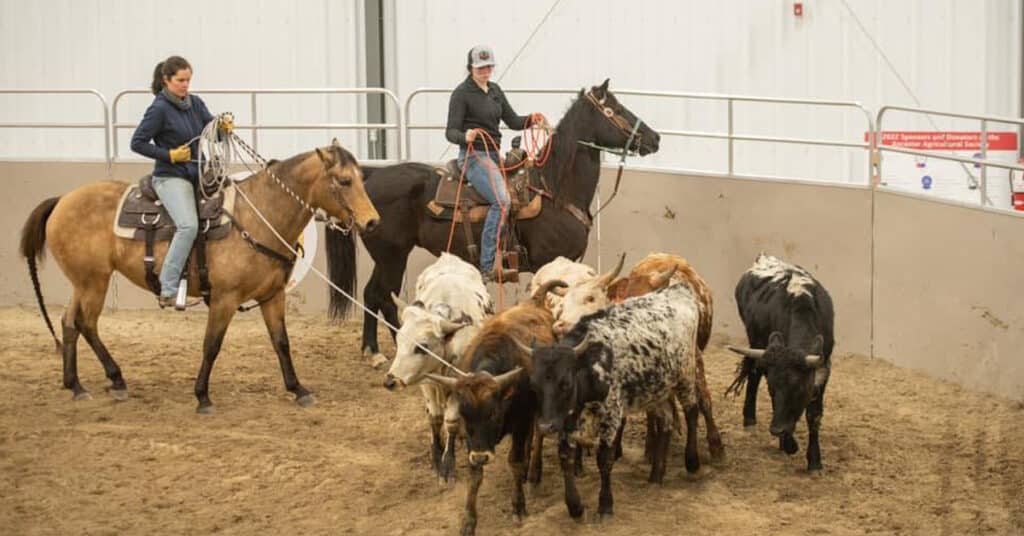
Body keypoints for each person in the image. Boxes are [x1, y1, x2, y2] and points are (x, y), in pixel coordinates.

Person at [130, 55, 233, 308]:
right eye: (180, 80)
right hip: (171, 177)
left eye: (188, 80)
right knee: (188, 226)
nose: (185, 85)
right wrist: (169, 155)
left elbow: (212, 133)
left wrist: (223, 128)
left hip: (198, 173)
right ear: (166, 80)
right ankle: (168, 286)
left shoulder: (195, 104)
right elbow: (137, 143)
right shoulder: (158, 109)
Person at [445, 45, 547, 281]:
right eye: (481, 67)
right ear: (471, 68)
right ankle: (488, 264)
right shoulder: (461, 94)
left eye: (489, 66)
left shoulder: (495, 91)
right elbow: (450, 131)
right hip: (473, 156)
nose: (486, 71)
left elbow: (512, 120)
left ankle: (511, 250)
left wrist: (532, 119)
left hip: (493, 156)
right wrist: (465, 136)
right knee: (502, 201)